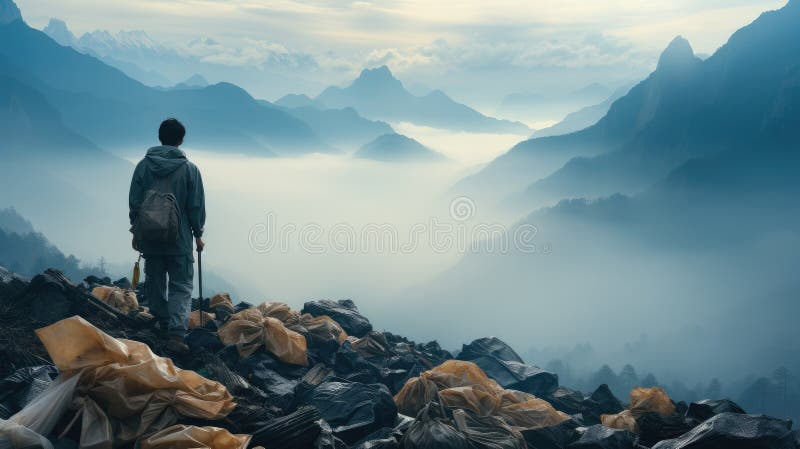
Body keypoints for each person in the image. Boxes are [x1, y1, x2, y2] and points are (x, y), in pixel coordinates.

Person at [129, 118, 205, 352]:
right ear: (181, 141)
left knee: (155, 281)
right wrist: (198, 233)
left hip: (150, 237)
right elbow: (195, 206)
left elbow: (135, 202)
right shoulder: (190, 169)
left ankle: (161, 320)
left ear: (160, 137)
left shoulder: (143, 166)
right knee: (181, 285)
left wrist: (136, 229)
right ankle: (176, 334)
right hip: (179, 239)